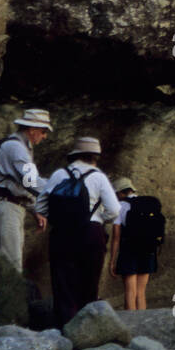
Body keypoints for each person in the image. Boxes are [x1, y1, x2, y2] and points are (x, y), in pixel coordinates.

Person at [37, 136, 120, 329]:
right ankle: (85, 330)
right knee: (88, 282)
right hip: (90, 232)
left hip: (61, 233)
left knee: (63, 283)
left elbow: (40, 205)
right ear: (95, 157)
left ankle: (64, 327)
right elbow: (114, 210)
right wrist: (99, 217)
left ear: (75, 155)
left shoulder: (58, 174)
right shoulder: (98, 176)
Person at [0, 107, 51, 272]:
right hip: (5, 207)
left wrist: (34, 208)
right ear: (32, 129)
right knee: (10, 264)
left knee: (4, 263)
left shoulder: (21, 147)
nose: (44, 136)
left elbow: (21, 184)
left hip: (7, 206)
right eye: (43, 131)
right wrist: (59, 189)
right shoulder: (17, 148)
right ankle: (9, 298)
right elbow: (30, 181)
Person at [109, 177, 161, 311]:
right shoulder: (149, 204)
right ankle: (142, 325)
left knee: (130, 292)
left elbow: (116, 236)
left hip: (129, 251)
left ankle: (131, 328)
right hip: (148, 250)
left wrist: (112, 261)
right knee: (141, 293)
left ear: (120, 192)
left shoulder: (120, 206)